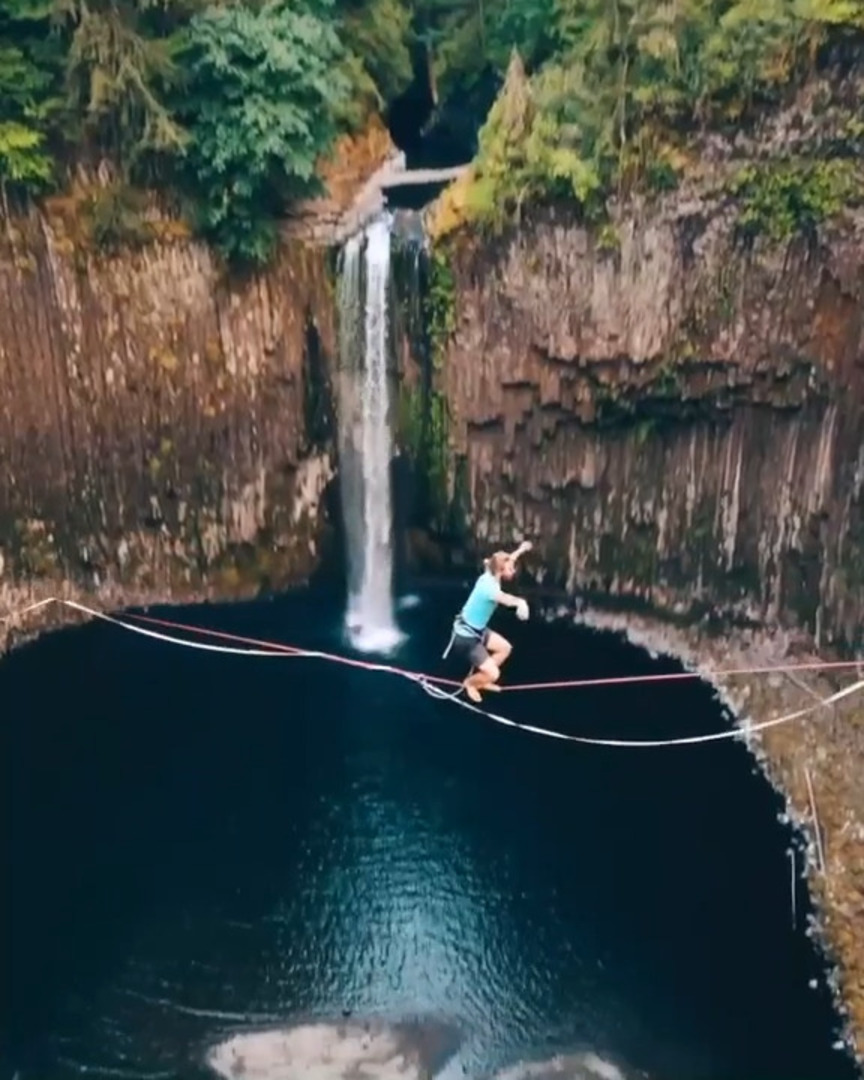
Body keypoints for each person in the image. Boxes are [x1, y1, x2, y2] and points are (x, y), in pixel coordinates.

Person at [445, 541, 532, 703]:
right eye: (510, 569)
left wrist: (521, 550)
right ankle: (470, 683)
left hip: (477, 630)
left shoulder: (490, 572)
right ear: (500, 570)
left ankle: (483, 678)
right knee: (495, 674)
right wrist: (521, 603)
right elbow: (505, 599)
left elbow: (507, 559)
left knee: (505, 648)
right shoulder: (490, 589)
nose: (513, 571)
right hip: (466, 638)